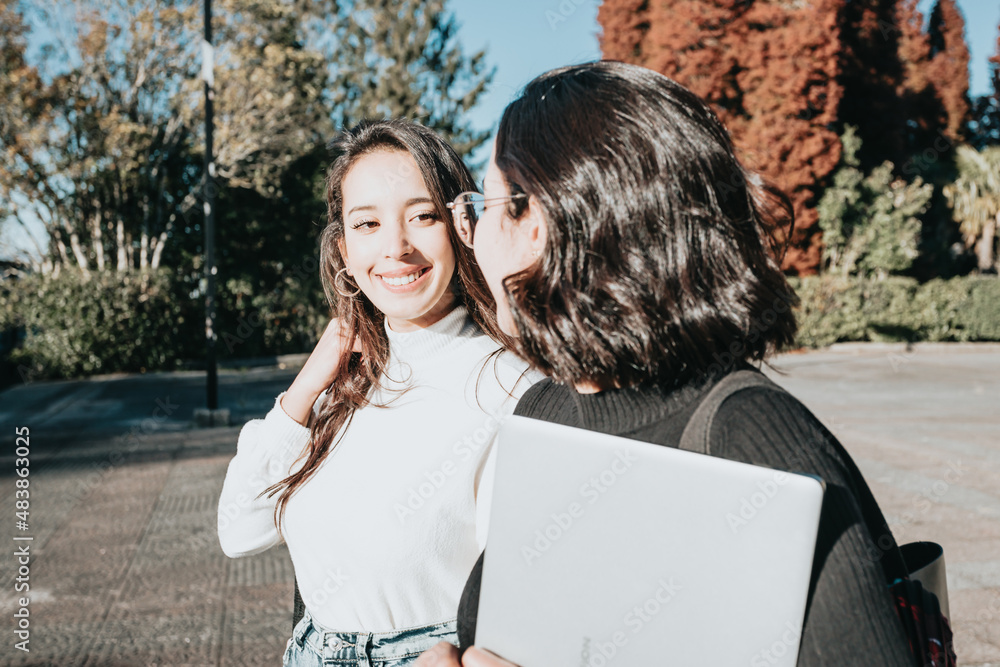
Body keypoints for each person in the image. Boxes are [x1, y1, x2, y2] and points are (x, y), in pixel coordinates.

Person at [415, 61, 917, 666]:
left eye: (485, 207)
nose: (472, 237)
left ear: (541, 226)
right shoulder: (543, 413)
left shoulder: (755, 438)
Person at [217, 119, 538, 667]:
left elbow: (522, 600)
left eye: (422, 216)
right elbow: (240, 529)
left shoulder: (509, 383)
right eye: (367, 223)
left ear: (462, 227)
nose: (396, 247)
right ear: (343, 247)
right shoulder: (346, 381)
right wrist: (311, 378)